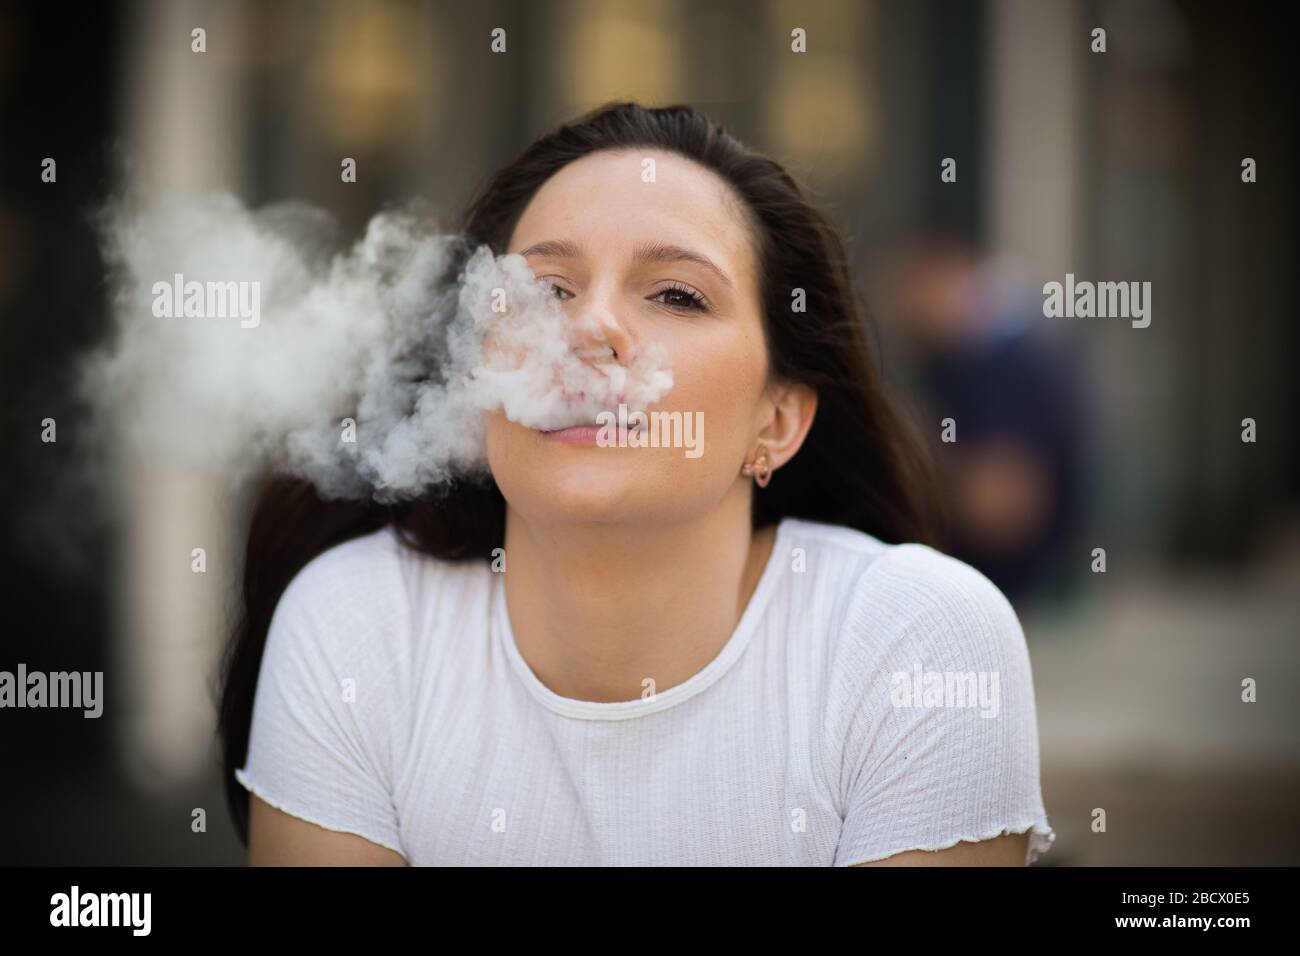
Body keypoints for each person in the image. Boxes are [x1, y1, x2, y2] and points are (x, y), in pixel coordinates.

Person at [218, 102, 1055, 866]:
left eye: (678, 295)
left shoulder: (914, 642)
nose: (592, 328)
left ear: (778, 423)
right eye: (545, 289)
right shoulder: (357, 625)